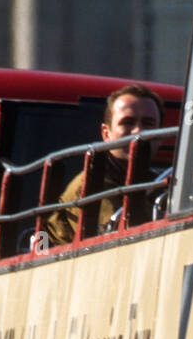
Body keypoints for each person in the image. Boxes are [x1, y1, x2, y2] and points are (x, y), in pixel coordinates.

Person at [45, 84, 164, 246]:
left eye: (148, 124)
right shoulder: (91, 186)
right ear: (106, 133)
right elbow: (120, 239)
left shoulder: (161, 181)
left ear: (161, 135)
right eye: (127, 122)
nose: (138, 131)